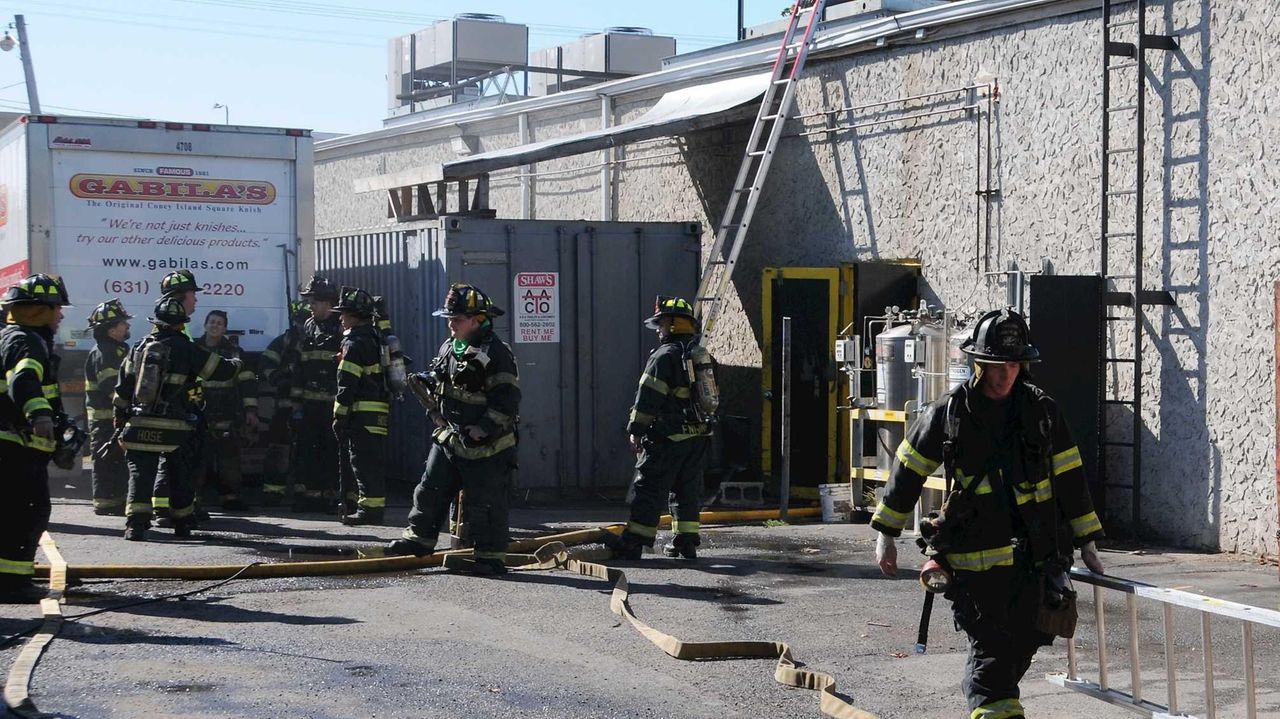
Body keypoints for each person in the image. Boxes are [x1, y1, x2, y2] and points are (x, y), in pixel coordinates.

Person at [871, 308, 1106, 719]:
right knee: (990, 667)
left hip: (1036, 564)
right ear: (976, 363)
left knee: (1019, 649)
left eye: (1013, 365)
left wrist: (1087, 541)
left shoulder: (1043, 413)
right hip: (975, 572)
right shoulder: (949, 413)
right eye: (996, 365)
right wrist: (886, 533)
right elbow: (908, 469)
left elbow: (1070, 476)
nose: (1005, 376)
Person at [386, 283, 520, 576]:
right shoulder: (450, 346)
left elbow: (507, 401)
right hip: (450, 437)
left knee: (486, 503)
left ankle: (490, 557)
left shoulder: (497, 353)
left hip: (487, 445)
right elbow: (441, 378)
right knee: (429, 489)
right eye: (449, 318)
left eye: (456, 319)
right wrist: (429, 387)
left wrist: (482, 428)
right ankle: (419, 541)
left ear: (477, 319)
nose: (450, 324)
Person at [114, 295, 242, 541]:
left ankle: (135, 525)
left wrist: (120, 419)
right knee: (181, 475)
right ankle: (182, 522)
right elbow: (220, 370)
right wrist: (236, 362)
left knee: (140, 475)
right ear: (180, 324)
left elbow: (122, 390)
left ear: (157, 322)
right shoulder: (187, 348)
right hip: (176, 428)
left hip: (139, 424)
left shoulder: (139, 347)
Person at [607, 296, 714, 560]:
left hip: (667, 438)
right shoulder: (701, 354)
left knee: (650, 489)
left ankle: (634, 543)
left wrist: (636, 429)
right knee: (686, 490)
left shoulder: (664, 356)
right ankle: (686, 541)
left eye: (661, 324)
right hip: (697, 438)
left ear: (674, 325)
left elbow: (648, 397)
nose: (658, 330)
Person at [0, 274, 70, 603]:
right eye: (56, 308)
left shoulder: (16, 336)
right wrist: (40, 416)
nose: (61, 314)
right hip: (14, 445)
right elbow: (24, 380)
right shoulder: (26, 341)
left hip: (16, 445)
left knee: (17, 511)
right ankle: (12, 584)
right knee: (27, 511)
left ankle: (12, 580)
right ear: (38, 310)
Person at [331, 286, 389, 525]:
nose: (341, 317)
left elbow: (347, 384)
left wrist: (339, 416)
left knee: (362, 461)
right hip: (378, 413)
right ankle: (370, 508)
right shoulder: (375, 338)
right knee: (371, 460)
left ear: (355, 315)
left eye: (344, 313)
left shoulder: (354, 343)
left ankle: (370, 511)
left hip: (361, 413)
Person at [192, 310, 258, 511]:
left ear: (225, 329)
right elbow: (188, 380)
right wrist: (194, 403)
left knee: (228, 458)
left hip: (226, 412)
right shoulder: (194, 349)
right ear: (205, 325)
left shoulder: (234, 353)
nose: (215, 326)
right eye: (211, 322)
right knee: (196, 458)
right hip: (199, 412)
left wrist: (250, 411)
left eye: (219, 323)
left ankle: (231, 497)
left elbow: (247, 383)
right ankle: (192, 498)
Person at [151, 268, 202, 521]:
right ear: (181, 297)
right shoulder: (178, 330)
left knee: (177, 458)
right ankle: (167, 508)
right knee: (173, 456)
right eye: (193, 294)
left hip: (180, 401)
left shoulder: (172, 328)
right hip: (177, 404)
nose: (196, 300)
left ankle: (178, 506)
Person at [291, 275, 342, 513]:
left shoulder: (341, 327)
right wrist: (297, 401)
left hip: (333, 404)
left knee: (331, 452)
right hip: (310, 404)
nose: (309, 306)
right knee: (308, 451)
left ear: (329, 303)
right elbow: (300, 366)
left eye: (314, 301)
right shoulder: (309, 326)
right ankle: (311, 497)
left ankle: (332, 497)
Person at [257, 299, 309, 506]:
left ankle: (303, 493)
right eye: (299, 322)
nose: (302, 326)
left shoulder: (320, 340)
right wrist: (284, 377)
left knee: (306, 450)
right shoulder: (283, 343)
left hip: (312, 404)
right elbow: (266, 368)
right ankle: (273, 492)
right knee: (278, 447)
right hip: (284, 405)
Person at [84, 299, 133, 516]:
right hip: (105, 418)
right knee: (105, 460)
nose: (128, 326)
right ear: (112, 329)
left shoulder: (115, 349)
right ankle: (104, 503)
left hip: (113, 416)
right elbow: (110, 386)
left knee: (116, 460)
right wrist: (127, 405)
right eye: (123, 323)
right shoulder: (104, 351)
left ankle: (115, 500)